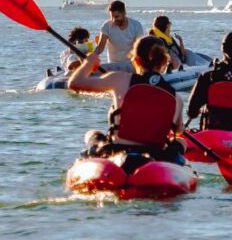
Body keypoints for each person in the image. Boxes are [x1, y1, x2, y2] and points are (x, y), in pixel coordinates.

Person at [66, 34, 186, 168]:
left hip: (118, 152)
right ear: (164, 62)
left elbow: (75, 83)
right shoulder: (176, 98)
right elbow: (178, 130)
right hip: (155, 155)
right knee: (181, 142)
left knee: (91, 135)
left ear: (136, 60)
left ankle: (95, 158)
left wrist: (88, 63)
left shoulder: (119, 79)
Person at [95, 0, 144, 65]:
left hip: (131, 64)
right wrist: (92, 56)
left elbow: (139, 48)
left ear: (124, 13)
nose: (114, 20)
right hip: (113, 64)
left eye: (116, 16)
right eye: (112, 17)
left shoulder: (136, 25)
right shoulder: (106, 26)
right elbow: (100, 47)